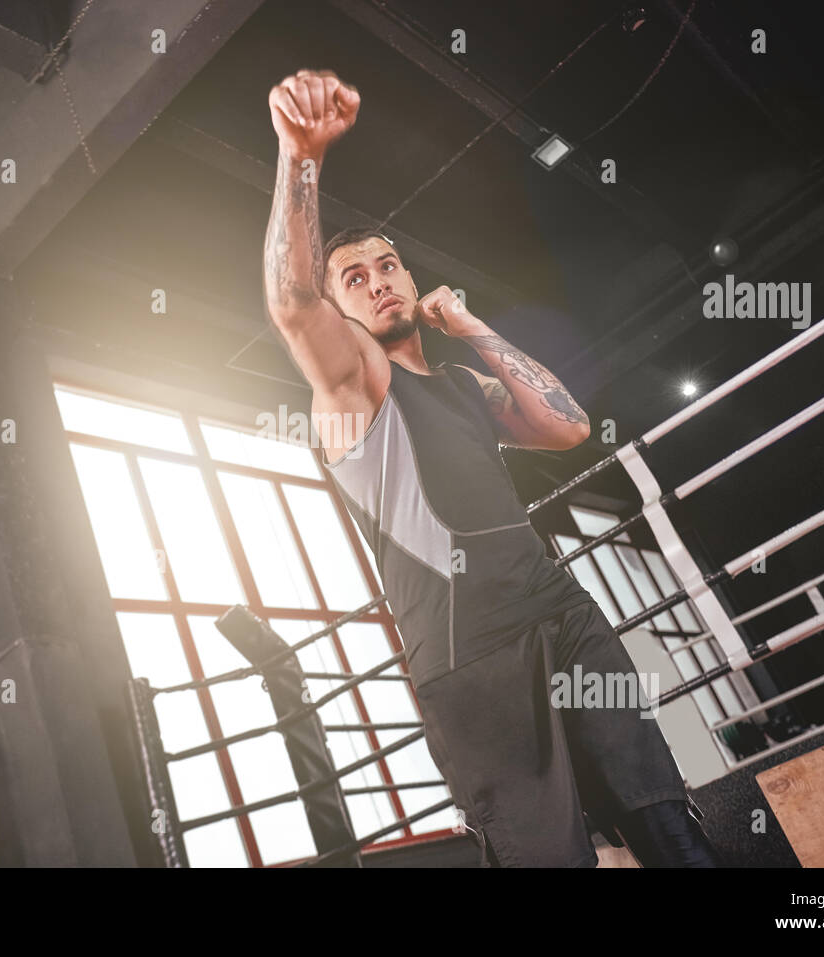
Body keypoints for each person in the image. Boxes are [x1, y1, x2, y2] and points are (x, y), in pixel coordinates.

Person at [262, 68, 722, 867]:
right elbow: (293, 301)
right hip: (469, 661)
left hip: (563, 617)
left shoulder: (463, 383)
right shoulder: (353, 387)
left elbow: (569, 426)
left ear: (410, 276)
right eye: (356, 278)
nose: (378, 283)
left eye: (388, 265)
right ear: (343, 309)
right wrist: (300, 155)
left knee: (666, 822)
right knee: (553, 860)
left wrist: (470, 325)